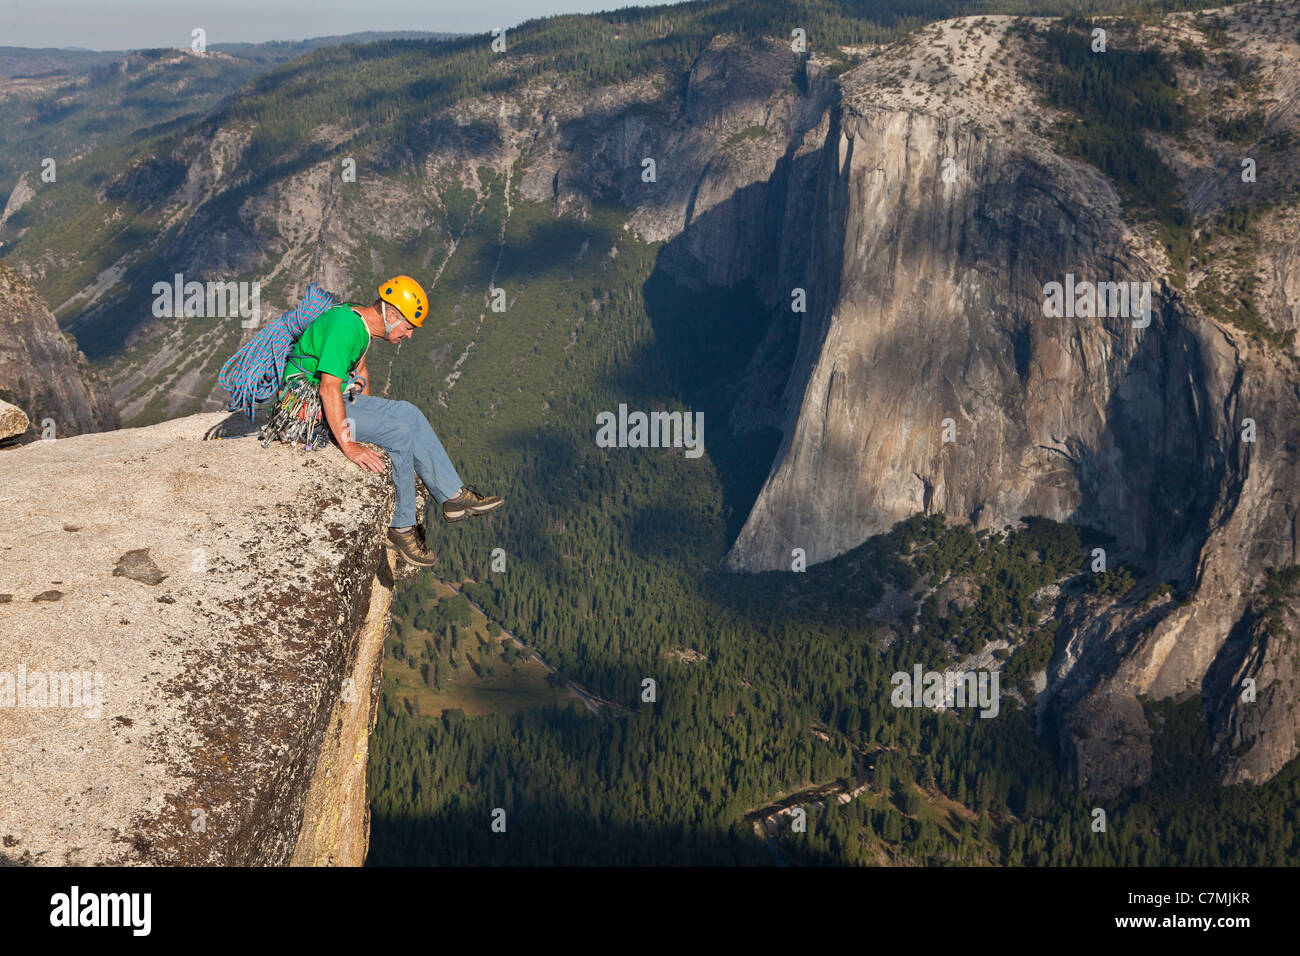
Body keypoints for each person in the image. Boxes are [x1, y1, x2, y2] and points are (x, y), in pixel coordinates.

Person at [282, 275, 503, 566]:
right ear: (392, 314)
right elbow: (328, 388)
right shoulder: (345, 327)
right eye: (408, 327)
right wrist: (350, 446)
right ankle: (401, 527)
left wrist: (369, 415)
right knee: (397, 432)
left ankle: (452, 496)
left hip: (325, 401)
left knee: (409, 413)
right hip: (305, 410)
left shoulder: (359, 322)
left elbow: (359, 373)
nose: (409, 335)